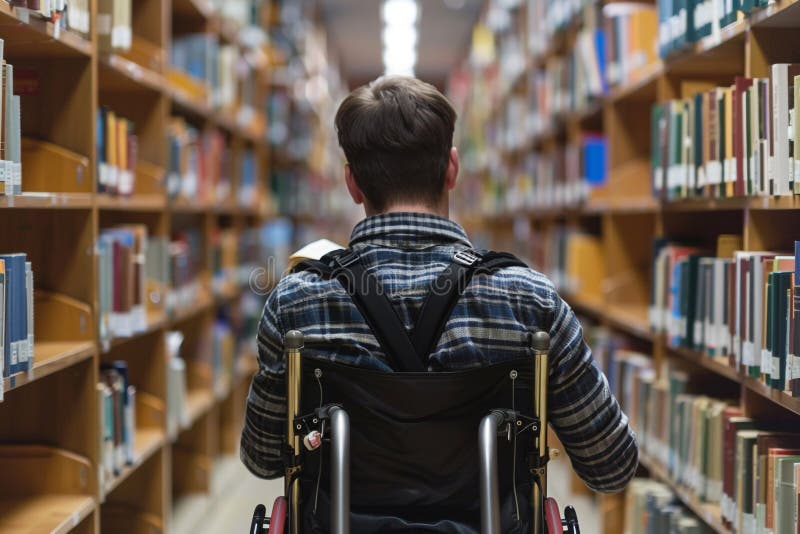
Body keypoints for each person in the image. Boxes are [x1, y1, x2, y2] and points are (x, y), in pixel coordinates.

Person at [240, 76, 638, 494]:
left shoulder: (296, 300)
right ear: (451, 169)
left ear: (352, 184)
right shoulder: (530, 299)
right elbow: (610, 466)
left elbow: (262, 457)